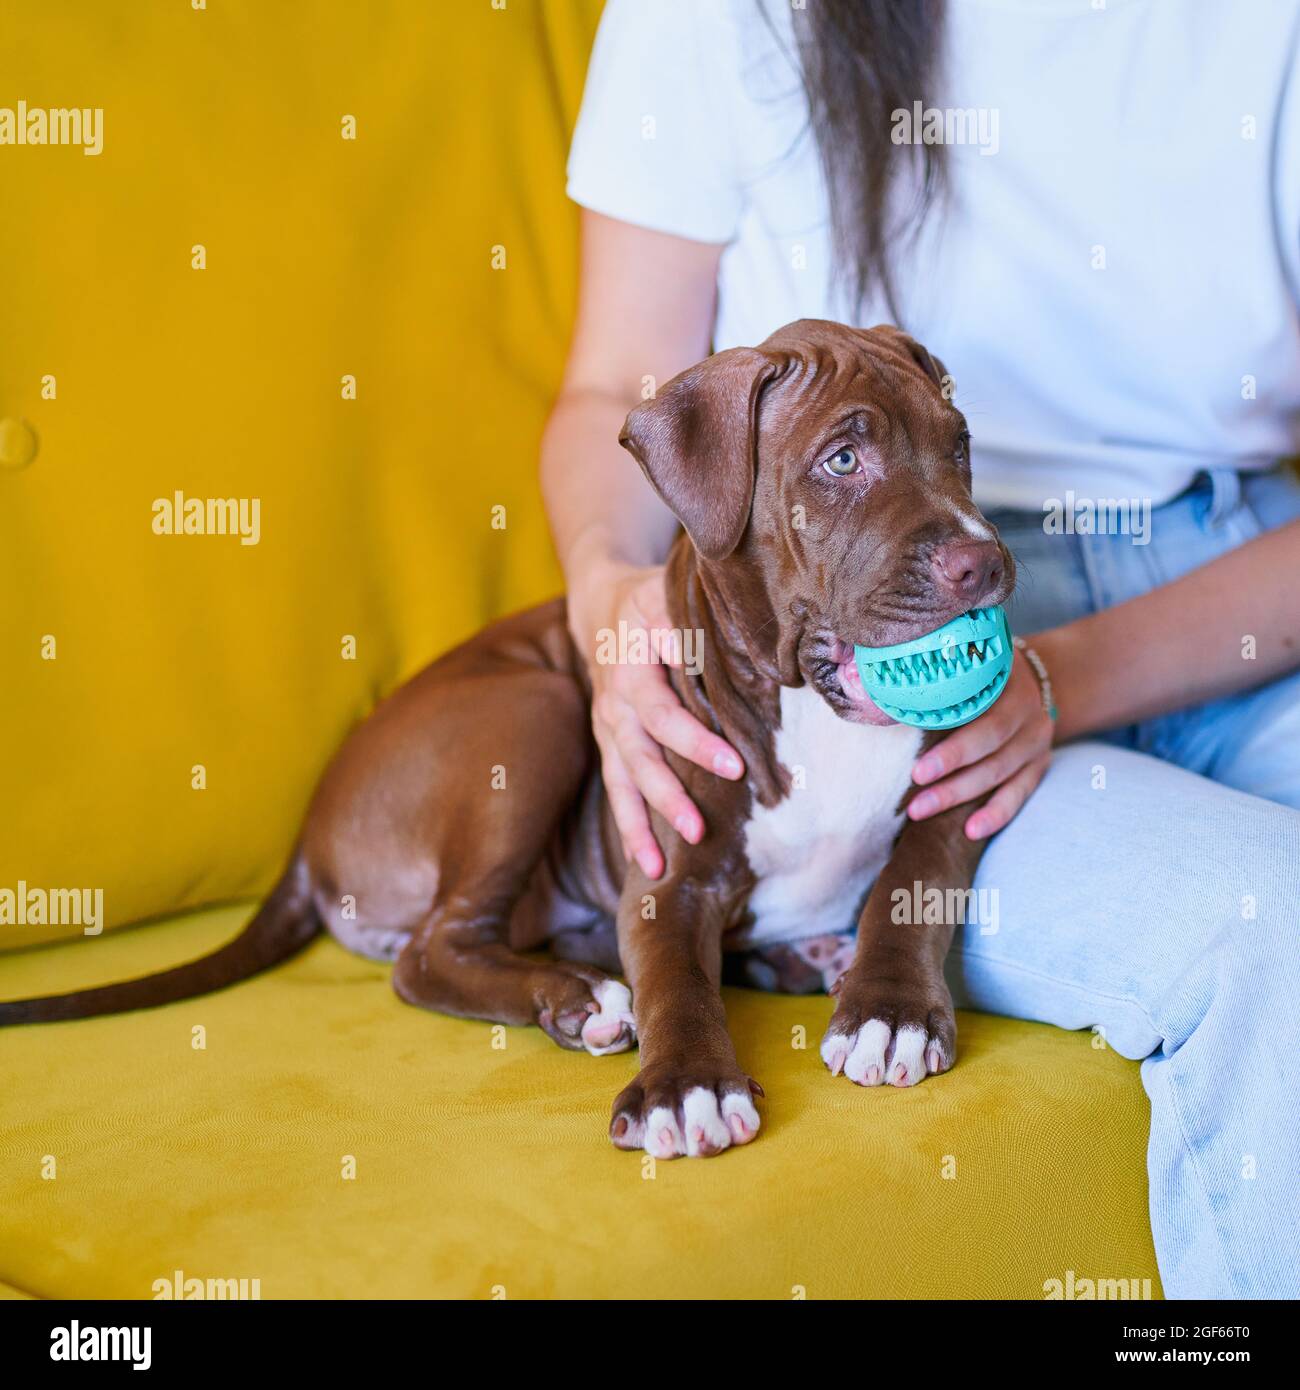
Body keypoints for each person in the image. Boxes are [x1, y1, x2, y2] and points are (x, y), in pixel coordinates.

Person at [539, 0, 1300, 1299]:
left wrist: (1062, 674)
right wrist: (611, 600)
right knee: (1270, 929)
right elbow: (619, 386)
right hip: (884, 639)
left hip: (1241, 583)